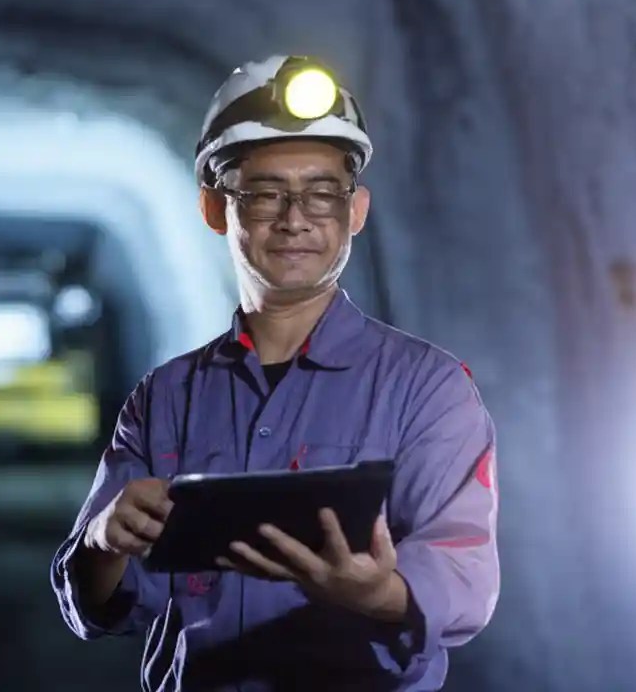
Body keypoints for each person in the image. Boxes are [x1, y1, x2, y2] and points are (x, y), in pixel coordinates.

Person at [50, 55, 499, 691]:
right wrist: (101, 540)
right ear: (214, 208)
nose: (295, 218)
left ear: (357, 211)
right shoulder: (165, 399)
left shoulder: (427, 390)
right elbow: (99, 608)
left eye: (322, 193)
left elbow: (466, 582)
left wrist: (379, 593)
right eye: (264, 193)